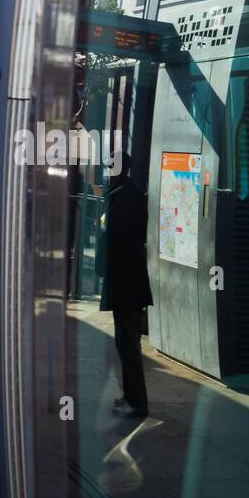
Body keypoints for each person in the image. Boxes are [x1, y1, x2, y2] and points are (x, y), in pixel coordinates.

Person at [97, 154, 153, 419]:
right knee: (125, 343)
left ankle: (137, 402)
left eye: (110, 168)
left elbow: (112, 239)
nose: (107, 172)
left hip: (126, 286)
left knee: (128, 344)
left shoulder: (123, 197)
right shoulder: (126, 193)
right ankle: (131, 397)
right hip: (127, 285)